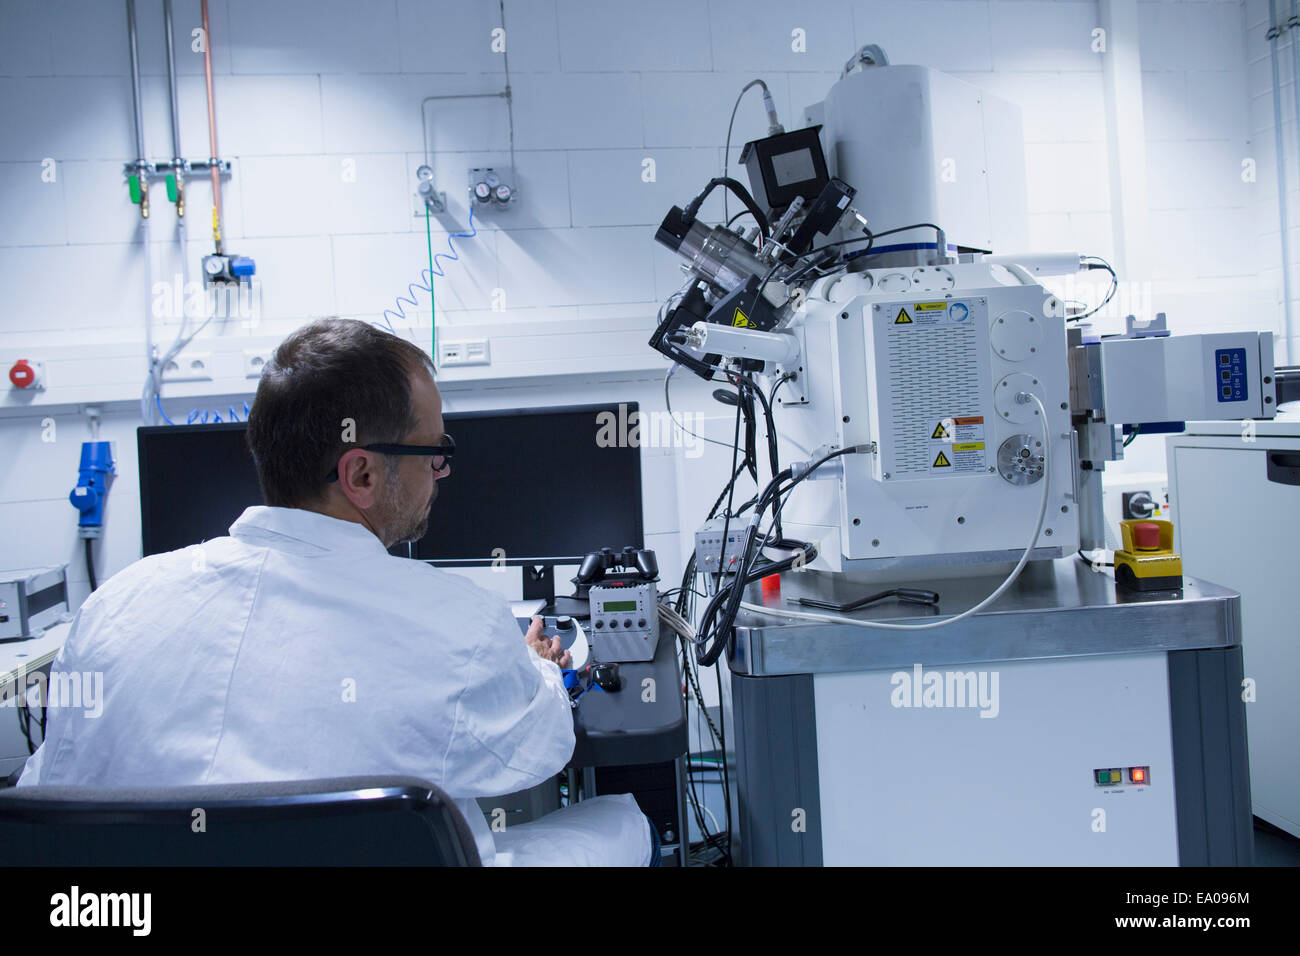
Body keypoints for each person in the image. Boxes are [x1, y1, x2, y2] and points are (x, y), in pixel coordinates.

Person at [19, 318, 654, 866]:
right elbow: (538, 751)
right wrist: (543, 676)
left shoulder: (112, 609)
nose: (443, 471)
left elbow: (45, 791)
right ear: (363, 472)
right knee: (623, 823)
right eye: (435, 451)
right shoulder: (459, 624)